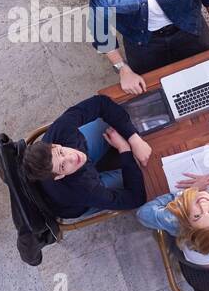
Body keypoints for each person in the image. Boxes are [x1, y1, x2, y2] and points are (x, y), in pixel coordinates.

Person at [22, 94, 153, 219]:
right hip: (71, 200)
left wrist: (134, 138)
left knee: (109, 124)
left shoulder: (60, 131)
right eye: (62, 166)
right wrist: (124, 149)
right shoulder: (83, 190)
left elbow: (101, 103)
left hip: (75, 175)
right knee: (146, 176)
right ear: (59, 176)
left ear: (55, 145)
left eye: (61, 152)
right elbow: (136, 198)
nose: (72, 157)